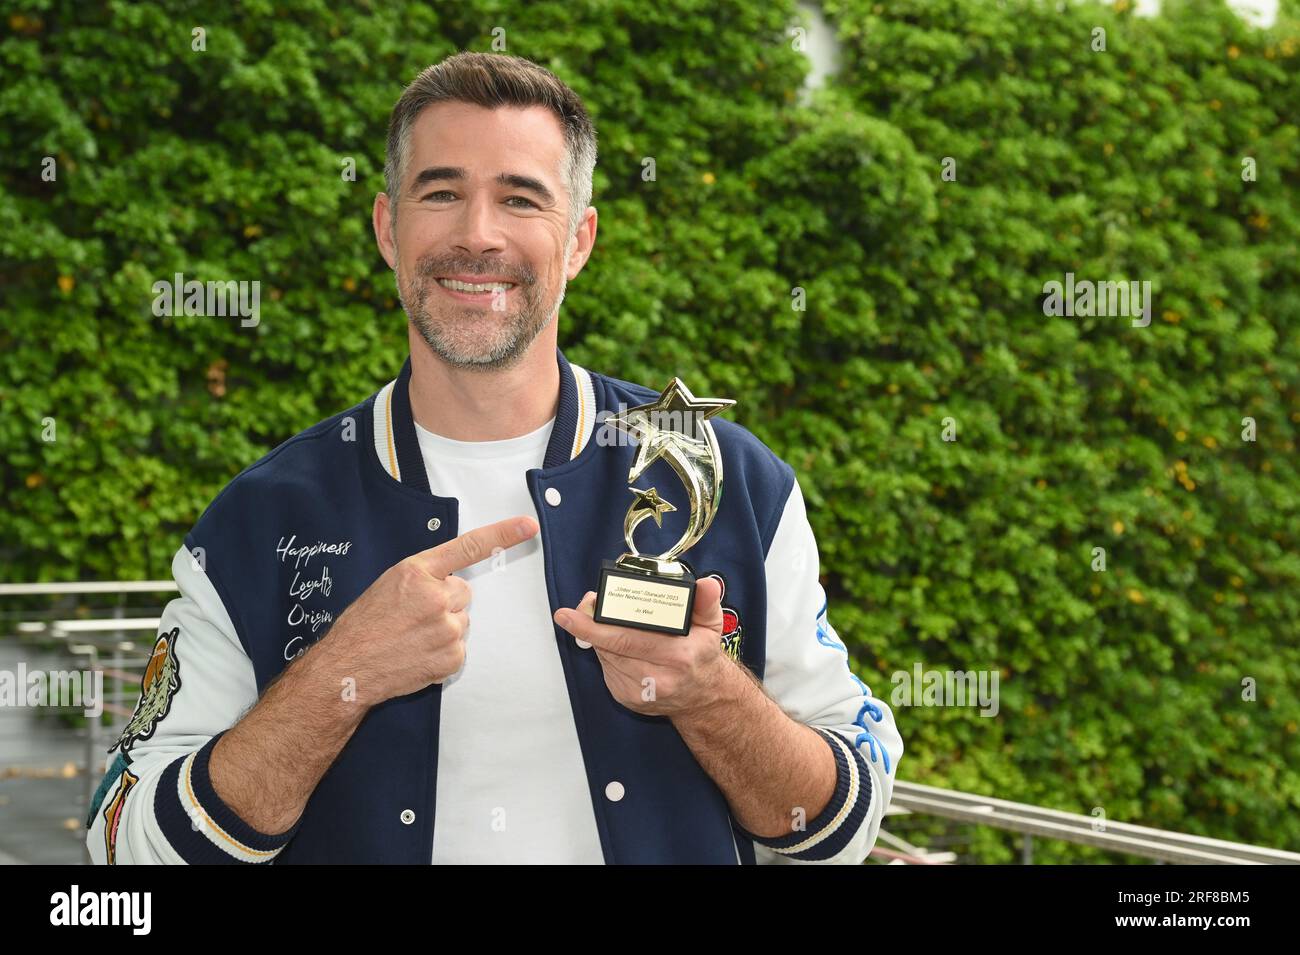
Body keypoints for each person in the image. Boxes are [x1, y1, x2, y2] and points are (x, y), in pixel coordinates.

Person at [85, 51, 902, 864]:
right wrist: (341, 676)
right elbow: (123, 845)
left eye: (521, 197)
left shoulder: (726, 481)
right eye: (441, 192)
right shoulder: (261, 518)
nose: (478, 234)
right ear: (385, 226)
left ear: (578, 240)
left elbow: (844, 821)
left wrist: (711, 696)